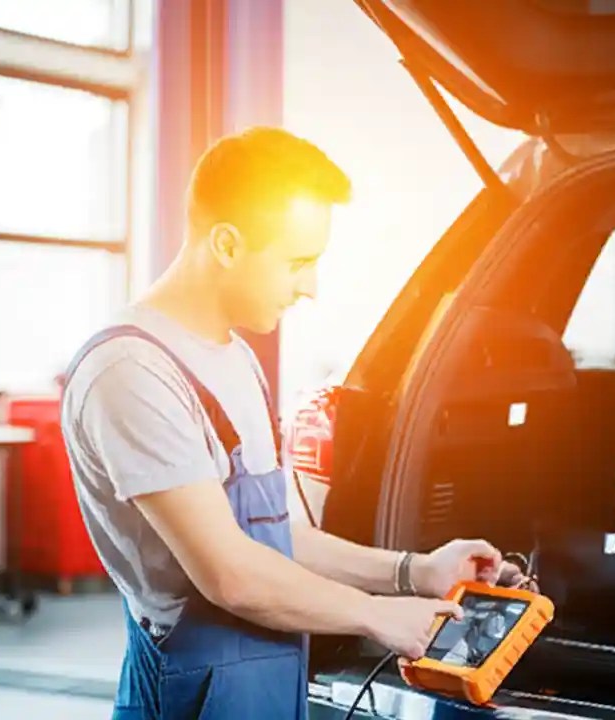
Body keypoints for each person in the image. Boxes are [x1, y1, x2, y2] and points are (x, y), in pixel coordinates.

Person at [59, 126, 527, 719]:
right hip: (194, 694)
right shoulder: (131, 372)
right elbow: (232, 575)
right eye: (297, 262)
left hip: (267, 682)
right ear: (226, 245)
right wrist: (380, 616)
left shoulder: (235, 358)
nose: (310, 286)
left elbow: (276, 538)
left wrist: (414, 572)